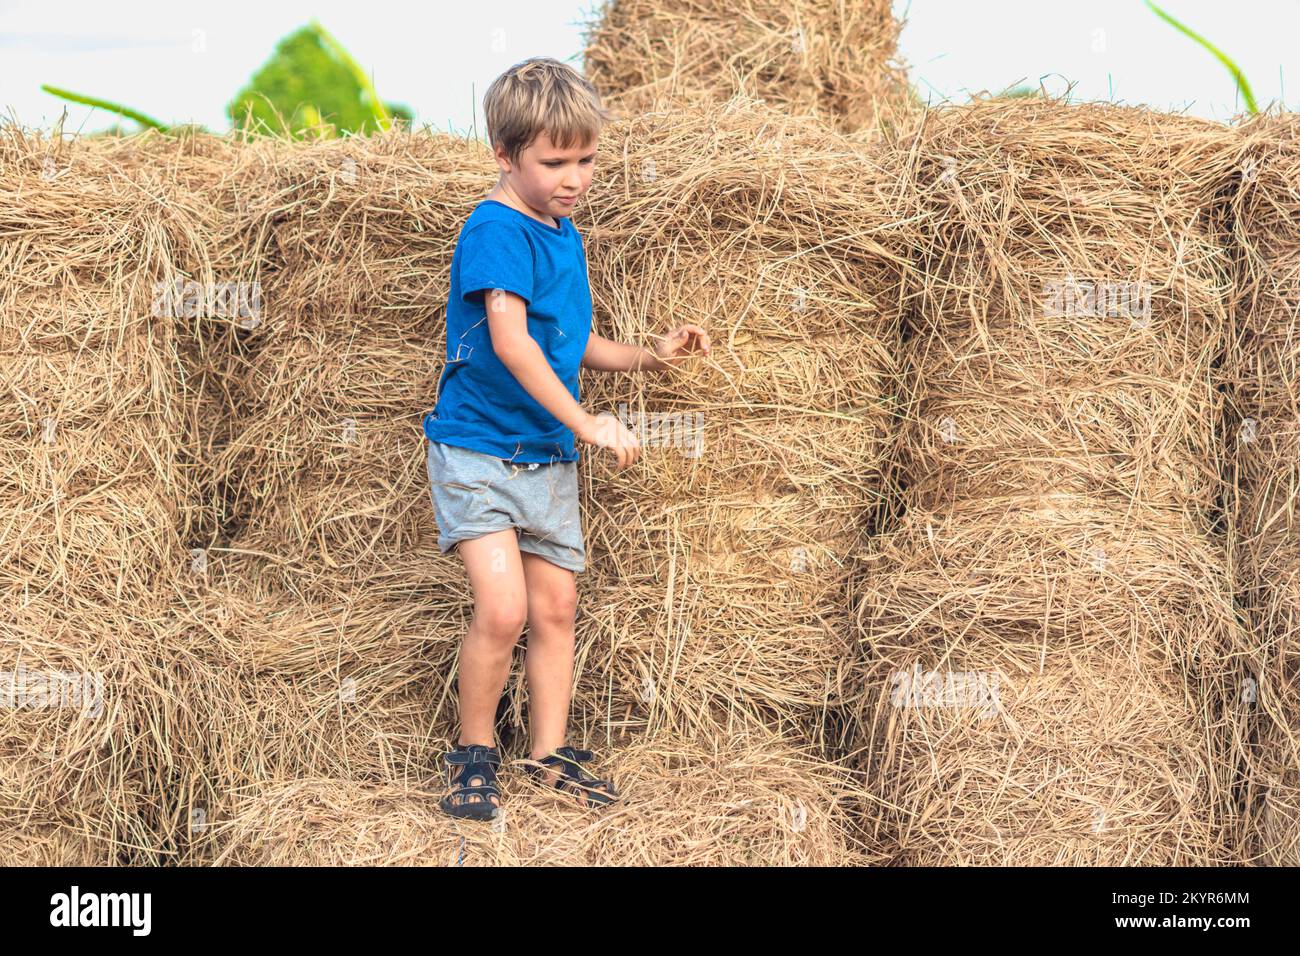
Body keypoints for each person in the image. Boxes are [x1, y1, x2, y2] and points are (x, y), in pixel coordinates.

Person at [422, 57, 710, 819]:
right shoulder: (494, 229)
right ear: (505, 155)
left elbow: (568, 342)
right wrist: (587, 420)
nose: (574, 176)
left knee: (556, 609)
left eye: (585, 159)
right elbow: (512, 341)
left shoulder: (561, 230)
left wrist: (647, 354)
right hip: (479, 451)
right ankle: (474, 753)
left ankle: (549, 754)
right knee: (504, 610)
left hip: (546, 456)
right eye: (554, 162)